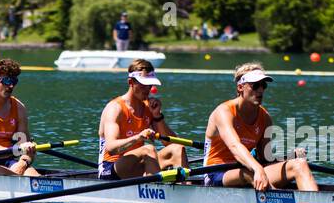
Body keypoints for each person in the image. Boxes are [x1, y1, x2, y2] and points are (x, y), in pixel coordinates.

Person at [201, 63, 317, 191]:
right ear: (240, 87)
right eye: (255, 85)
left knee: (299, 165)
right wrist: (257, 168)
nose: (260, 90)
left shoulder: (265, 118)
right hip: (215, 174)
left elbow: (265, 158)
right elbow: (235, 146)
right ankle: (278, 199)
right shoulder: (224, 112)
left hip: (248, 169)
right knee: (249, 173)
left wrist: (289, 156)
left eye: (263, 85)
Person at [98, 59, 186, 179]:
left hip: (138, 164)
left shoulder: (148, 108)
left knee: (178, 149)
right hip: (111, 169)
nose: (147, 89)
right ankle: (156, 191)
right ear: (131, 82)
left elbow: (170, 143)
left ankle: (187, 191)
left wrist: (157, 116)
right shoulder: (115, 109)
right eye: (143, 84)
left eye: (150, 84)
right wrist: (138, 137)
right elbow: (112, 148)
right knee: (148, 149)